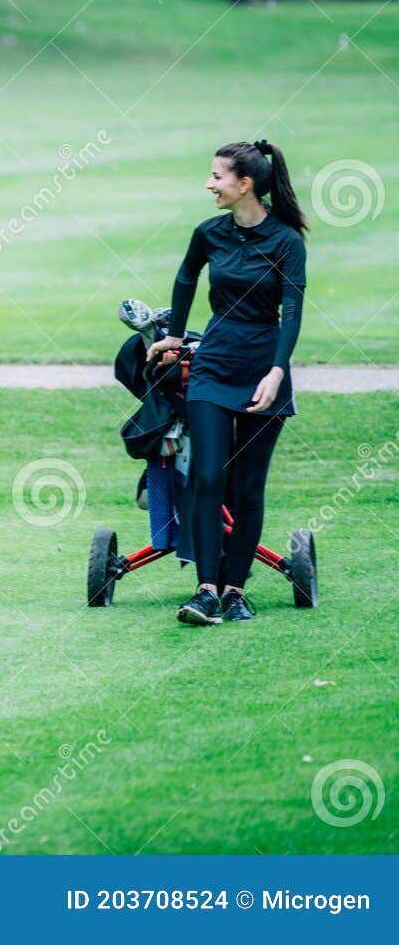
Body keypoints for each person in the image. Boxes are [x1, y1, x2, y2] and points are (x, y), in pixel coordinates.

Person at [146, 140, 307, 626]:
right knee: (208, 477)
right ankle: (206, 591)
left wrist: (277, 372)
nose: (209, 184)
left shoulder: (286, 243)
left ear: (245, 185)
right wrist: (174, 332)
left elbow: (292, 311)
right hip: (213, 368)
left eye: (217, 176)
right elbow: (185, 276)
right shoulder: (209, 233)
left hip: (263, 370)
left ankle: (236, 590)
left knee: (247, 488)